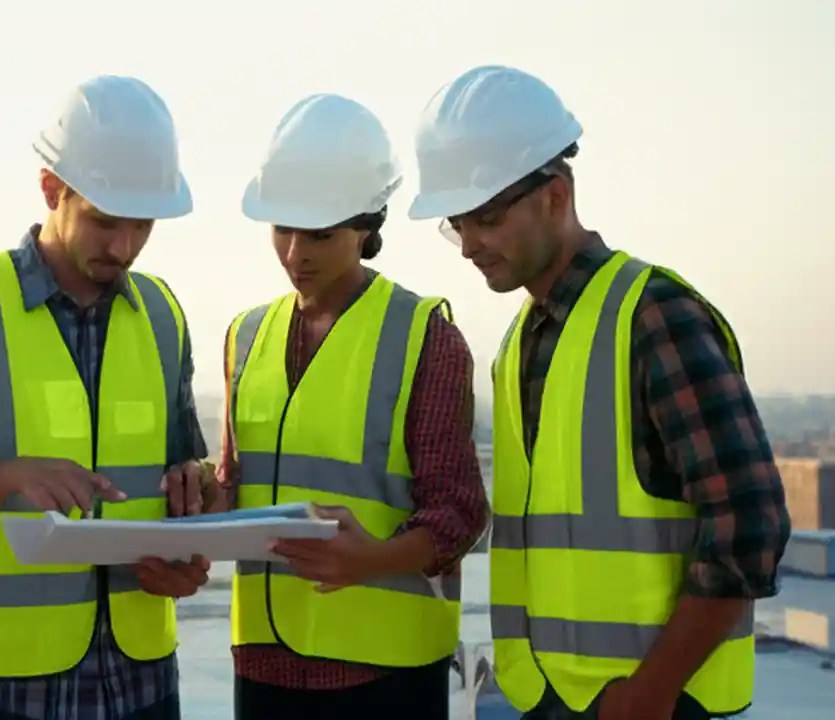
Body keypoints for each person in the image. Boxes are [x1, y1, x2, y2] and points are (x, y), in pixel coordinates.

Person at [408, 65, 792, 720]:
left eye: (487, 219)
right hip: (550, 695)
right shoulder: (520, 340)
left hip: (660, 702)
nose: (469, 244)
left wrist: (653, 690)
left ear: (554, 197)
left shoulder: (654, 316)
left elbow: (750, 527)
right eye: (457, 224)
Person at [0, 74, 213, 720]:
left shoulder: (163, 316)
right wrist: (9, 477)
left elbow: (188, 471)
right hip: (3, 695)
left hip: (143, 688)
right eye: (106, 222)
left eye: (143, 225)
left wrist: (194, 510)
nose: (125, 246)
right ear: (51, 188)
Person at [217, 92, 490, 720]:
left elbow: (459, 511)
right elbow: (237, 482)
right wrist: (201, 489)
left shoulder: (424, 336)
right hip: (263, 663)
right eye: (281, 228)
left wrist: (372, 559)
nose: (294, 254)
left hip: (385, 674)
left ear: (367, 226)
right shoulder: (246, 335)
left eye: (318, 235)